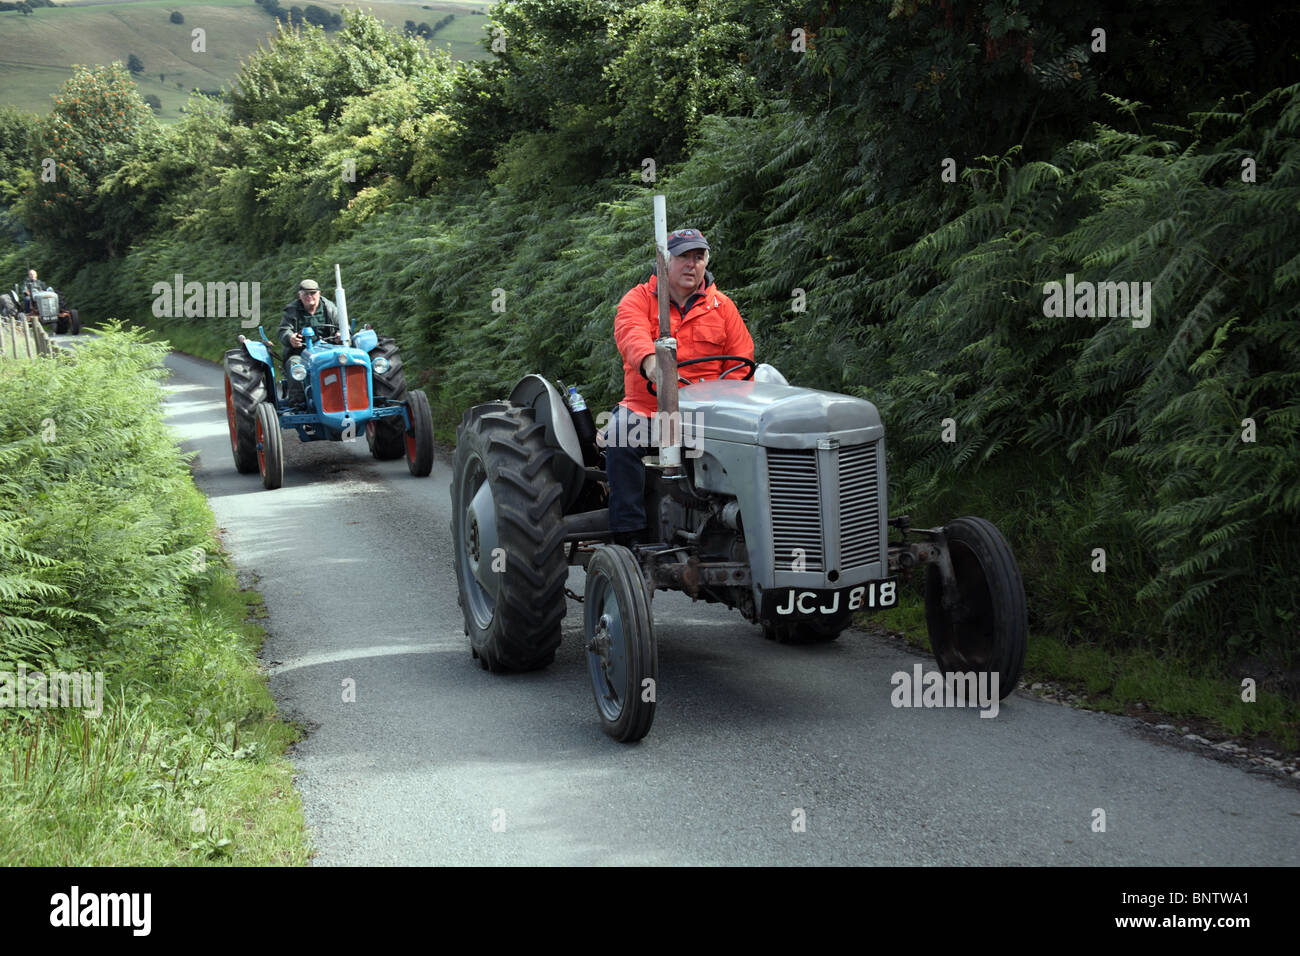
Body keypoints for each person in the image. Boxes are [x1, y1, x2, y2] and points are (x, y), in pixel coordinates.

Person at [606, 227, 755, 547]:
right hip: (649, 410)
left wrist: (728, 406)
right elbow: (631, 334)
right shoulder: (639, 300)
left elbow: (741, 363)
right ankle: (628, 535)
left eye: (698, 257)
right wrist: (650, 362)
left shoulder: (723, 307)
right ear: (664, 262)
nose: (692, 264)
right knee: (619, 436)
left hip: (708, 415)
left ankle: (748, 530)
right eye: (683, 257)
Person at [277, 279, 340, 407]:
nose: (309, 296)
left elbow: (344, 327)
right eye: (305, 294)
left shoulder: (330, 308)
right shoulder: (292, 311)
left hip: (329, 350)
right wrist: (291, 338)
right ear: (299, 295)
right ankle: (298, 403)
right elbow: (284, 330)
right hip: (301, 353)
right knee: (294, 364)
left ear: (319, 293)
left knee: (345, 360)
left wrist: (340, 333)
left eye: (313, 293)